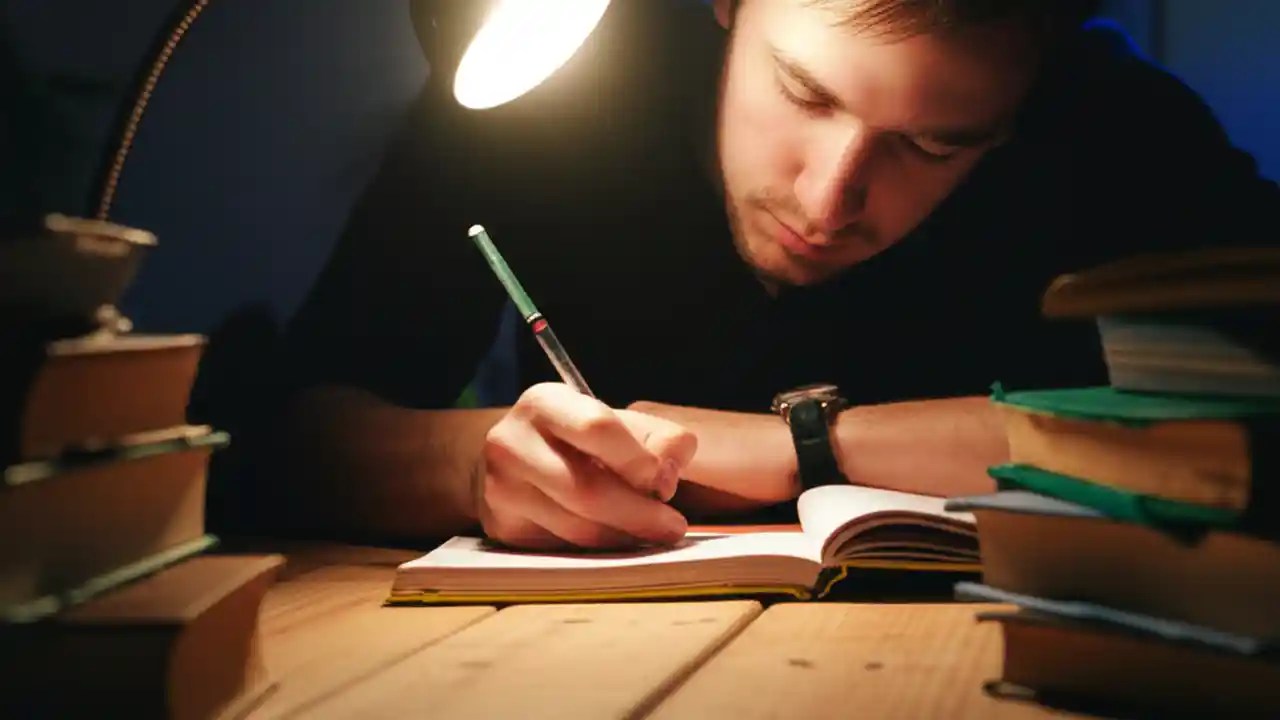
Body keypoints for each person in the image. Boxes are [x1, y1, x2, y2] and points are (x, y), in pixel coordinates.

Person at [258, 0, 1278, 549]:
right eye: (800, 90)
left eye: (931, 146)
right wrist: (486, 461)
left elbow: (1253, 408)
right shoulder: (543, 77)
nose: (830, 201)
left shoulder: (1108, 128)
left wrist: (805, 447)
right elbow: (284, 434)